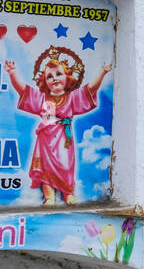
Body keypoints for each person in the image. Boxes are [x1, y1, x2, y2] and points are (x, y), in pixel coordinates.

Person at [4, 46, 111, 205]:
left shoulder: (72, 98)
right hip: (45, 142)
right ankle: (49, 197)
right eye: (49, 76)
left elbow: (90, 89)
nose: (54, 78)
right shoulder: (41, 99)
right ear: (45, 82)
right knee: (45, 169)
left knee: (66, 166)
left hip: (64, 140)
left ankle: (68, 194)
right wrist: (12, 72)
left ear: (68, 78)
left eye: (59, 74)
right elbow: (23, 90)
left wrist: (102, 72)